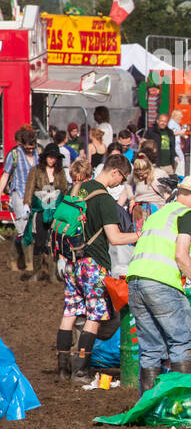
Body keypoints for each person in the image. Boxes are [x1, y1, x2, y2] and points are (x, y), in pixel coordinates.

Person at [54, 152, 141, 383]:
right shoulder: (104, 199)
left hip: (71, 261)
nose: (120, 184)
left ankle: (62, 369)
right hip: (93, 265)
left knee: (70, 312)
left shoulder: (77, 189)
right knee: (94, 315)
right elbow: (114, 238)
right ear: (115, 171)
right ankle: (80, 370)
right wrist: (140, 235)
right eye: (121, 179)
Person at [126, 176, 191, 394]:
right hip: (162, 283)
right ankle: (179, 404)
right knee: (180, 344)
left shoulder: (159, 213)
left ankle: (148, 405)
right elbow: (181, 254)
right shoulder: (189, 214)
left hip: (135, 280)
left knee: (150, 348)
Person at [22, 143, 70, 282]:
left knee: (54, 241)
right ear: (45, 157)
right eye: (50, 157)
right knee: (39, 241)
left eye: (55, 157)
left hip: (56, 210)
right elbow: (30, 188)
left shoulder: (60, 172)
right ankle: (37, 271)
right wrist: (26, 204)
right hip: (41, 210)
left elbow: (64, 190)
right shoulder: (36, 171)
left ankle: (53, 272)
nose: (52, 160)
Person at [2, 126, 39, 274]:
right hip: (19, 194)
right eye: (27, 148)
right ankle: (29, 263)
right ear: (22, 145)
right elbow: (6, 175)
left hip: (34, 195)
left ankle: (14, 257)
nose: (30, 150)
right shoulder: (15, 155)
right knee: (23, 228)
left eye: (32, 148)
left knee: (34, 228)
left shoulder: (38, 154)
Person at [129, 155, 168, 228]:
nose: (140, 177)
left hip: (156, 209)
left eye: (143, 175)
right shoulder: (133, 174)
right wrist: (131, 198)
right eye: (138, 175)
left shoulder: (159, 174)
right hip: (139, 209)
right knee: (139, 234)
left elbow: (168, 189)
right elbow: (127, 184)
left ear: (149, 169)